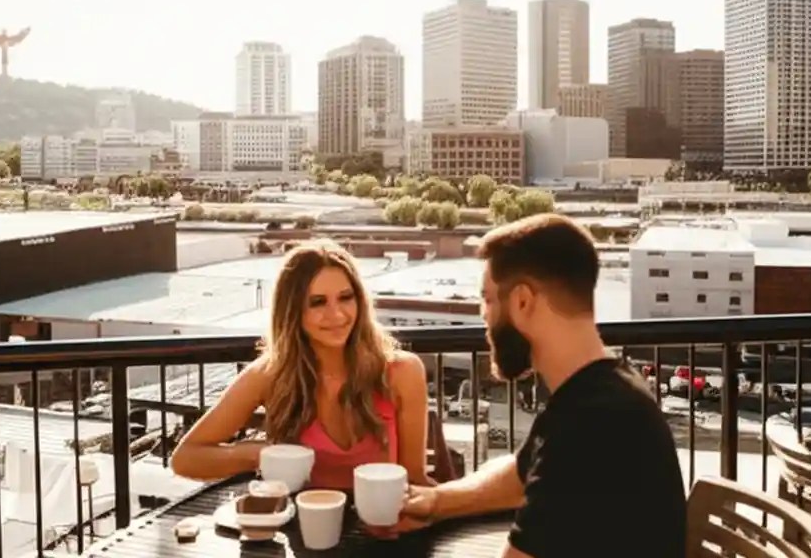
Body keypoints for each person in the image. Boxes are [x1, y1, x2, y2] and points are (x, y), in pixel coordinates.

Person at [396, 214, 686, 557]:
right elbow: (522, 473)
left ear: (522, 301)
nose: (484, 315)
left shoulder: (591, 424)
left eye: (487, 299)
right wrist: (436, 501)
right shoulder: (605, 388)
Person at [170, 240, 430, 491]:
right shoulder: (270, 374)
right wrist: (260, 454)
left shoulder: (402, 372)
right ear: (292, 310)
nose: (337, 314)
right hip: (298, 528)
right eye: (317, 302)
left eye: (345, 298)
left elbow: (415, 481)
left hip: (383, 528)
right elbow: (185, 458)